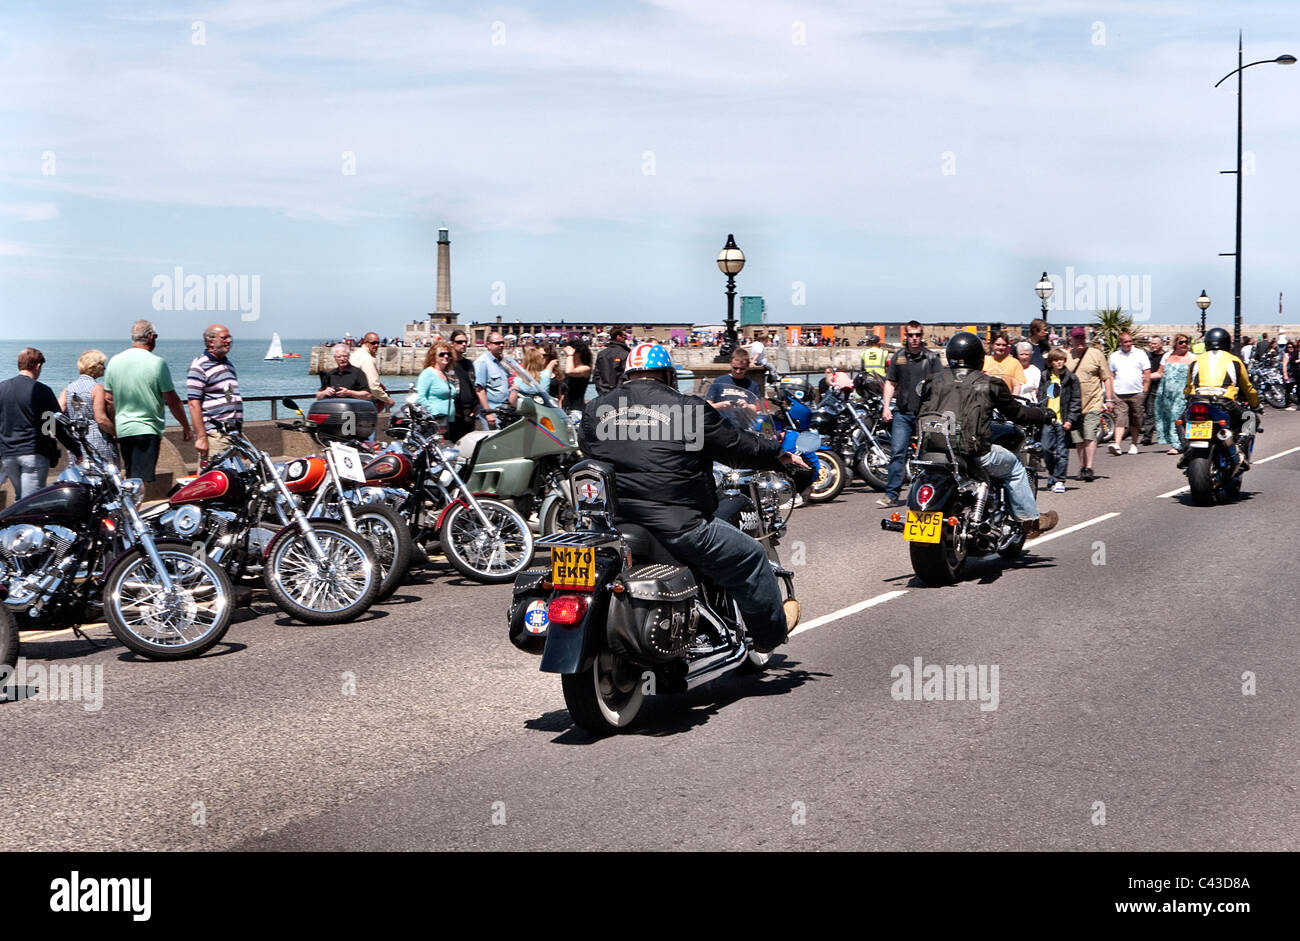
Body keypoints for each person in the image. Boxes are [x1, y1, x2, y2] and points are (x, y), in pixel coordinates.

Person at [580, 343, 807, 654]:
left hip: (617, 522)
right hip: (679, 526)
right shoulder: (687, 409)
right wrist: (777, 453)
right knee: (751, 557)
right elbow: (736, 446)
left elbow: (589, 450)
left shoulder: (596, 409)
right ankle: (768, 636)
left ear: (629, 374)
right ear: (668, 376)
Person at [918, 333, 1059, 537]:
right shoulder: (989, 384)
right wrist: (1042, 414)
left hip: (933, 450)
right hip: (972, 452)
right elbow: (1017, 413)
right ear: (979, 357)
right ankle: (1030, 521)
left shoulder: (932, 381)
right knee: (1015, 467)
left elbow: (920, 411)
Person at [104, 319, 193, 481]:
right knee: (141, 481)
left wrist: (115, 425)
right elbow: (172, 400)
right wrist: (186, 426)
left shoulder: (114, 361)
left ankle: (129, 506)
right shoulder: (157, 363)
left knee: (131, 477)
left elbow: (109, 399)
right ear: (151, 337)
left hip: (124, 429)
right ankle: (133, 507)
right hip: (147, 428)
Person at [878, 321, 942, 508]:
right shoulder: (898, 357)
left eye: (917, 335)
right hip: (903, 413)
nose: (914, 339)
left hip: (926, 414)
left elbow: (940, 384)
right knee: (897, 453)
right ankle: (891, 495)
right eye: (911, 335)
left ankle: (927, 494)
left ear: (922, 336)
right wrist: (886, 407)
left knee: (927, 456)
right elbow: (890, 383)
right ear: (905, 336)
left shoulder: (931, 358)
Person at [1183, 327, 1260, 471]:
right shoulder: (1235, 360)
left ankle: (1187, 449)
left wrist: (1188, 398)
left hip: (1197, 400)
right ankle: (1239, 451)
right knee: (1251, 418)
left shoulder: (1196, 360)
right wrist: (1255, 405)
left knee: (1180, 421)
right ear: (1226, 344)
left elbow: (1188, 387)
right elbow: (1248, 387)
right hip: (1223, 402)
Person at [0, 348, 63, 499]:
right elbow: (54, 424)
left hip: (8, 455)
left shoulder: (2, 388)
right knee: (31, 502)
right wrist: (76, 450)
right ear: (38, 366)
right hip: (33, 454)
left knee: (20, 498)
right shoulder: (42, 391)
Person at [187, 323, 242, 471]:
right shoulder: (200, 366)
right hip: (216, 436)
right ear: (211, 342)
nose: (229, 341)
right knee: (212, 482)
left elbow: (229, 396)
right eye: (224, 338)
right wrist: (201, 437)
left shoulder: (227, 365)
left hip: (232, 434)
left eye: (229, 337)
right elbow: (193, 404)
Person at [1064, 326, 1113, 482]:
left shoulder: (1096, 354)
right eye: (1076, 338)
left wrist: (1109, 399)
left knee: (1090, 434)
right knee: (1078, 438)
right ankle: (1083, 466)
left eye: (1082, 338)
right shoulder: (1067, 357)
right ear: (1071, 339)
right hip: (1075, 404)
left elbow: (1107, 377)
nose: (1080, 341)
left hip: (1093, 401)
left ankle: (1090, 467)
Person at [58, 349, 118, 467]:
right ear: (94, 367)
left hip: (77, 439)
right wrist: (116, 432)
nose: (104, 368)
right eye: (102, 365)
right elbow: (101, 419)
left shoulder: (69, 388)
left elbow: (58, 410)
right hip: (97, 440)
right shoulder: (97, 388)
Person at [1036, 348, 1080, 492]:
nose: (1059, 362)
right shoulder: (1045, 376)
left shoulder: (1071, 378)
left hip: (1063, 420)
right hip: (1049, 419)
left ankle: (1060, 480)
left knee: (1062, 452)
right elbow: (1040, 395)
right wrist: (1042, 412)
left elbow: (1076, 400)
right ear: (1050, 362)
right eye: (1055, 360)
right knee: (1046, 449)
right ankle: (1053, 474)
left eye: (1061, 359)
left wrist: (1070, 419)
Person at [1106, 332, 1150, 456]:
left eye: (1130, 341)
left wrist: (1144, 391)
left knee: (1136, 419)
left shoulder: (1140, 354)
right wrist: (1111, 393)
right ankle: (1117, 445)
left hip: (1137, 392)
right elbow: (1111, 375)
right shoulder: (1114, 356)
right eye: (1126, 342)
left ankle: (1134, 444)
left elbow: (1146, 372)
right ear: (1120, 343)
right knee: (1120, 418)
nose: (1129, 344)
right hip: (1120, 393)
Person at [1152, 334, 1194, 453]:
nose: (1184, 344)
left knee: (1176, 416)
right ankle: (1180, 442)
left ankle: (1177, 445)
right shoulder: (1167, 355)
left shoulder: (1192, 357)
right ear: (1175, 343)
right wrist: (1145, 377)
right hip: (1166, 393)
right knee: (1168, 416)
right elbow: (1160, 373)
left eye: (1186, 342)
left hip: (1183, 393)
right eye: (1181, 342)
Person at [707, 348, 762, 425]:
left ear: (747, 366)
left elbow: (756, 413)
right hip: (722, 426)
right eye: (735, 368)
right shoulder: (719, 381)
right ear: (730, 364)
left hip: (744, 427)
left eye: (742, 369)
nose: (738, 371)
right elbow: (706, 406)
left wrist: (747, 406)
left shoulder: (753, 385)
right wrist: (721, 405)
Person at [474, 331, 514, 429]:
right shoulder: (482, 362)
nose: (501, 345)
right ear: (488, 345)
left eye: (502, 343)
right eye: (497, 343)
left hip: (505, 412)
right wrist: (488, 412)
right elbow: (479, 389)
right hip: (492, 413)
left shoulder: (502, 362)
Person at [446, 329, 479, 440]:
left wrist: (476, 406)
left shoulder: (468, 363)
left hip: (470, 413)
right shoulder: (447, 364)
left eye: (466, 342)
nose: (464, 344)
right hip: (454, 414)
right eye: (460, 342)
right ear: (452, 343)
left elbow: (473, 385)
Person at [350, 332, 395, 413]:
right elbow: (373, 386)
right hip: (363, 401)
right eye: (373, 343)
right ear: (365, 343)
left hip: (352, 399)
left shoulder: (356, 353)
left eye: (378, 342)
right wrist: (387, 399)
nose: (376, 345)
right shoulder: (367, 359)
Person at [414, 340, 456, 422]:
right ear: (434, 356)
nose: (446, 356)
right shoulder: (428, 373)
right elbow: (421, 397)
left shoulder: (446, 374)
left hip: (449, 421)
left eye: (448, 354)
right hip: (436, 421)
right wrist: (434, 413)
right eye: (442, 354)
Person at [1138, 335, 1164, 444]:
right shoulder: (1148, 356)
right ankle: (1147, 436)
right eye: (1151, 343)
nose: (1152, 346)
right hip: (1150, 387)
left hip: (1161, 387)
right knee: (1149, 412)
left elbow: (1161, 373)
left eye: (1155, 344)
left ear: (1161, 344)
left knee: (1162, 413)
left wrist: (1146, 376)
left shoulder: (1165, 357)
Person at [594, 327, 630, 395]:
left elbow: (596, 376)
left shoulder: (601, 354)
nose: (626, 338)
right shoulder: (625, 354)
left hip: (603, 393)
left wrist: (600, 390)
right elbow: (625, 376)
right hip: (620, 395)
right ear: (618, 337)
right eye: (624, 336)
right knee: (623, 405)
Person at [560, 339, 593, 407]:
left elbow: (569, 371)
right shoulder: (571, 368)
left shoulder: (585, 368)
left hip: (576, 409)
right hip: (565, 407)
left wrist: (570, 355)